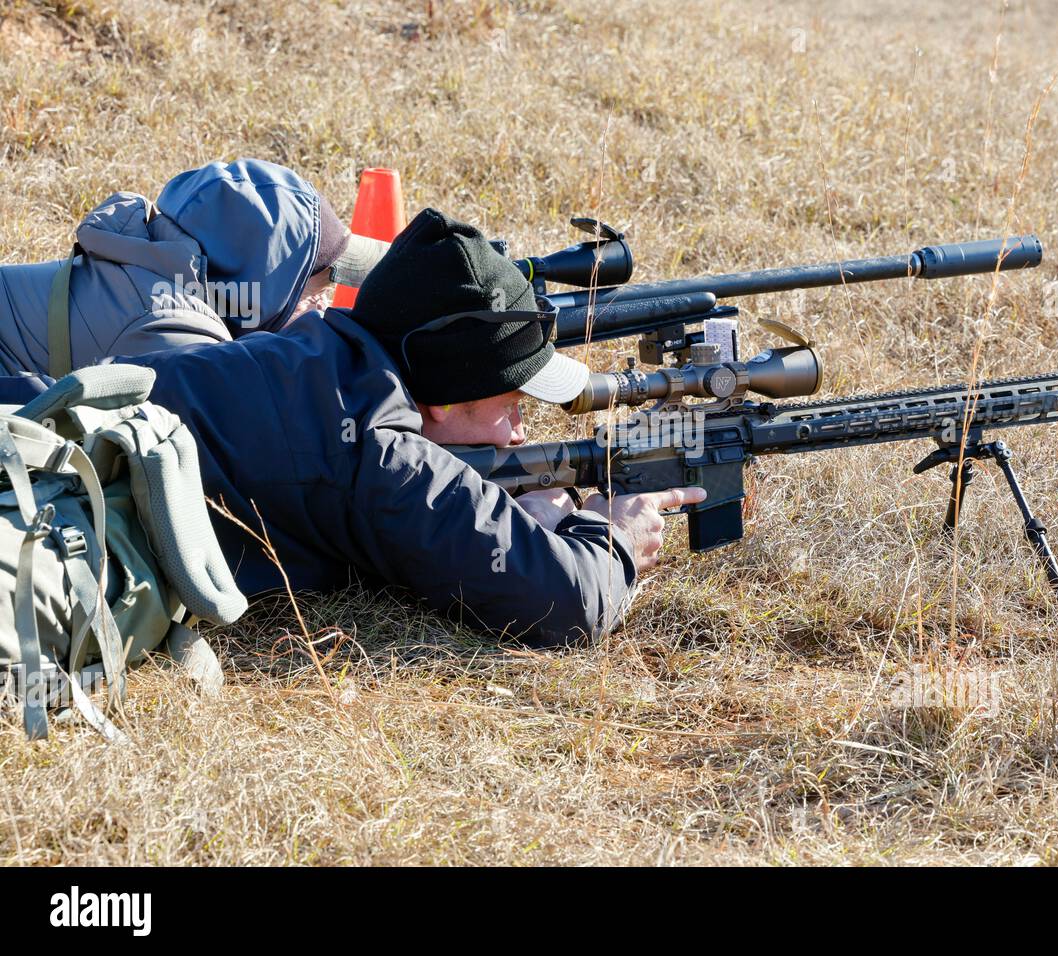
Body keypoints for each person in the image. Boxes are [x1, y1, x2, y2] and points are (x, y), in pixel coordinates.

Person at [111, 208, 704, 647]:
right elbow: (563, 604)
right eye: (513, 404)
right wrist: (615, 536)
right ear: (443, 399)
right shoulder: (383, 456)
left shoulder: (327, 348)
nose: (519, 433)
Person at [0, 158, 385, 377]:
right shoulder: (174, 331)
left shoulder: (155, 266)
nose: (326, 306)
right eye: (317, 291)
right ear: (265, 288)